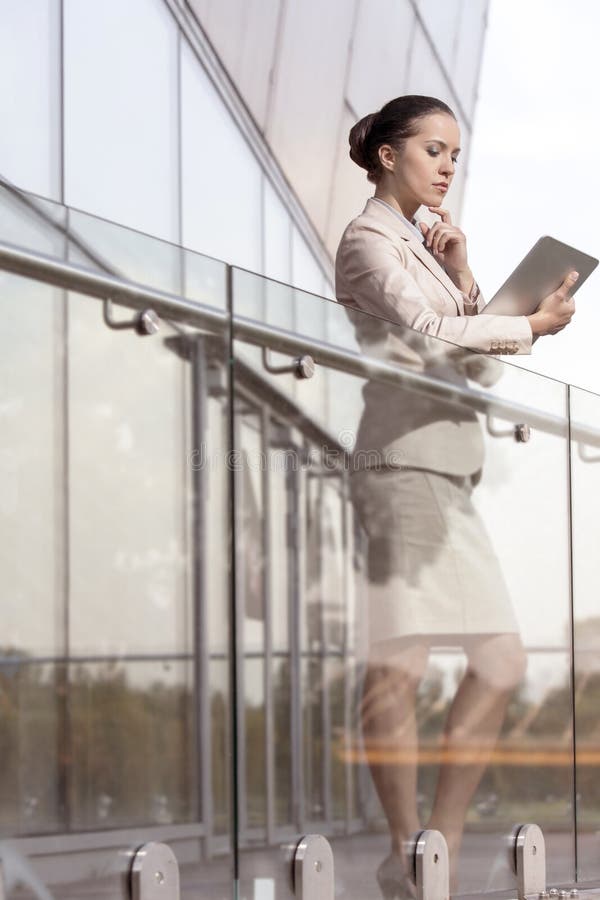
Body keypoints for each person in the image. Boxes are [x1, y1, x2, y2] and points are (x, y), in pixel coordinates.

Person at [334, 95, 577, 899]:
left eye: (454, 156)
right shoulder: (369, 241)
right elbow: (436, 341)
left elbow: (480, 367)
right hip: (400, 464)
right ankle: (408, 856)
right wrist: (530, 326)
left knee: (500, 662)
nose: (446, 167)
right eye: (433, 150)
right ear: (386, 156)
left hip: (447, 470)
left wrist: (470, 277)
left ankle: (435, 846)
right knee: (398, 665)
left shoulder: (430, 252)